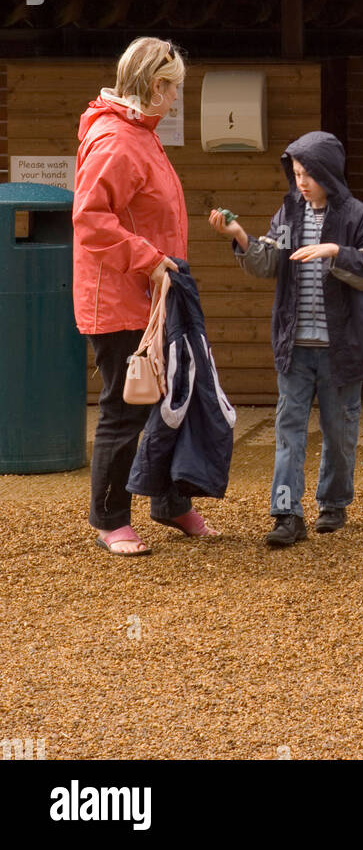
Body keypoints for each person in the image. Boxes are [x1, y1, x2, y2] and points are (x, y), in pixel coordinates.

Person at [209, 131, 363, 547]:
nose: (302, 182)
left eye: (309, 173)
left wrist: (333, 252)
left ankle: (333, 503)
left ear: (329, 172)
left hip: (342, 350)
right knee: (289, 430)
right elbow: (269, 259)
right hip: (295, 347)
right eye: (296, 173)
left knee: (339, 431)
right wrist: (239, 235)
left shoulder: (357, 216)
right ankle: (287, 514)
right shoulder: (288, 213)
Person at [73, 37, 217, 556]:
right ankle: (110, 518)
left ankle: (170, 500)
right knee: (125, 407)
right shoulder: (117, 140)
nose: (177, 98)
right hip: (123, 299)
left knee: (172, 397)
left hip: (154, 294)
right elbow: (90, 221)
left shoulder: (135, 133)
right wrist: (151, 260)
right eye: (174, 87)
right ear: (156, 86)